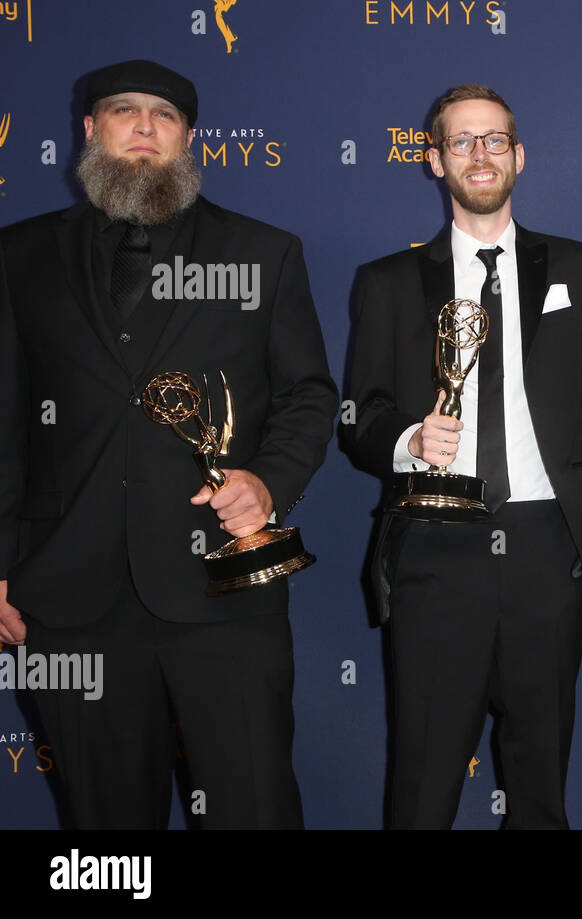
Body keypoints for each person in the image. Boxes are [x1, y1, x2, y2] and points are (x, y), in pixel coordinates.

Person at [0, 60, 338, 828]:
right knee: (104, 823)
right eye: (125, 110)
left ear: (190, 138)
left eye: (165, 115)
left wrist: (268, 481)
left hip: (223, 587)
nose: (145, 127)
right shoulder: (17, 257)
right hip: (69, 597)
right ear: (90, 130)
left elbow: (308, 395)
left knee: (252, 807)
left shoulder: (263, 251)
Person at [342, 84, 582, 829]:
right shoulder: (388, 283)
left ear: (519, 154)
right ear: (434, 161)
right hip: (437, 546)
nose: (479, 154)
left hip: (548, 550)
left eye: (494, 139)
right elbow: (357, 416)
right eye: (461, 141)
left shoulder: (579, 266)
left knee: (541, 789)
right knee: (424, 784)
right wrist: (407, 440)